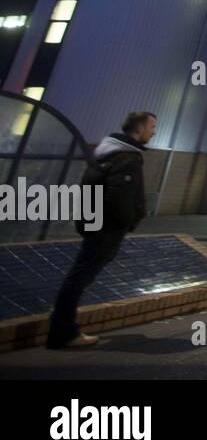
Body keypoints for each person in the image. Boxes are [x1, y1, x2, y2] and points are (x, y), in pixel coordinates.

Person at [46, 111, 154, 350]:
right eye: (151, 126)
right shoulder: (127, 158)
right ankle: (63, 332)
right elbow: (119, 199)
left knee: (78, 277)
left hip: (95, 225)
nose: (153, 131)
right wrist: (129, 221)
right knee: (79, 278)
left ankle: (62, 329)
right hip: (106, 230)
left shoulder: (107, 153)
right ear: (137, 129)